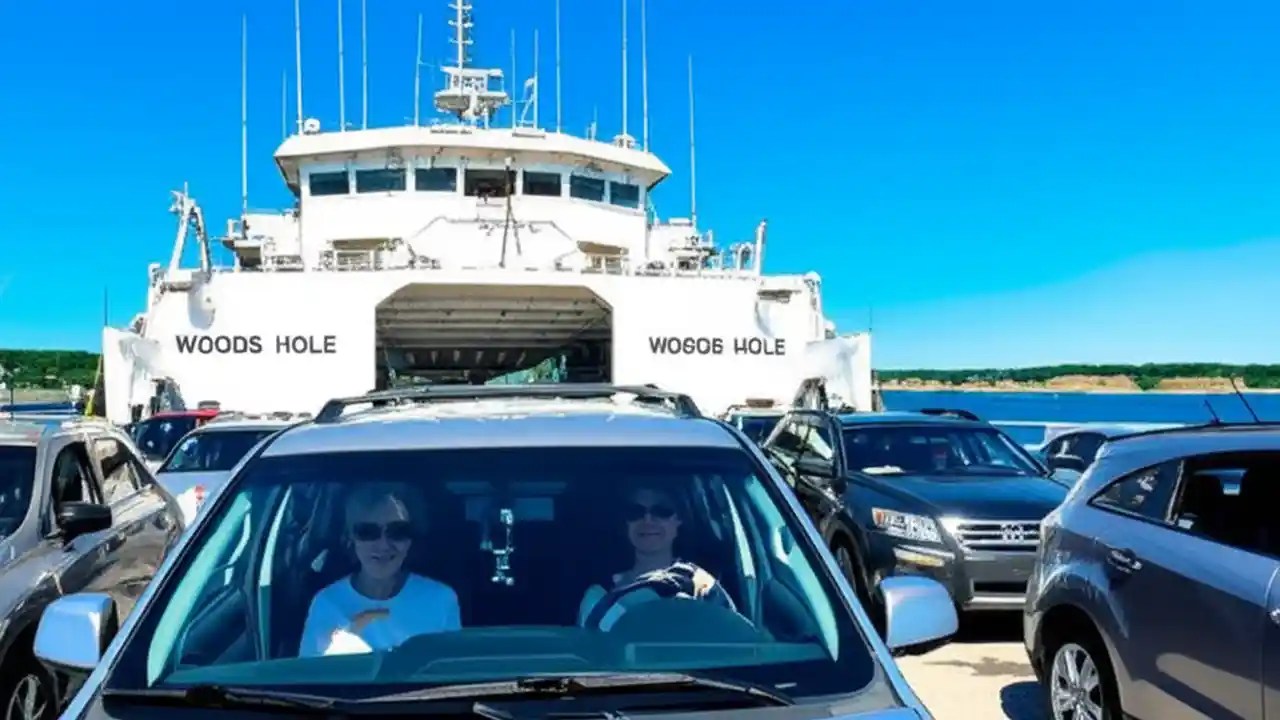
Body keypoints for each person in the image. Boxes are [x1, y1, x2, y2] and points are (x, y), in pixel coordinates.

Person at [299, 484, 461, 657]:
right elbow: (310, 677)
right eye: (367, 532)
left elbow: (453, 672)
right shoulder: (326, 603)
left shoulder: (440, 600)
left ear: (411, 539)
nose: (383, 545)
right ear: (351, 538)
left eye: (397, 531)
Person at [576, 484, 719, 630]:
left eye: (662, 511)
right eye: (635, 512)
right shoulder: (599, 597)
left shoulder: (703, 588)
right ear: (626, 522)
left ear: (679, 520)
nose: (648, 520)